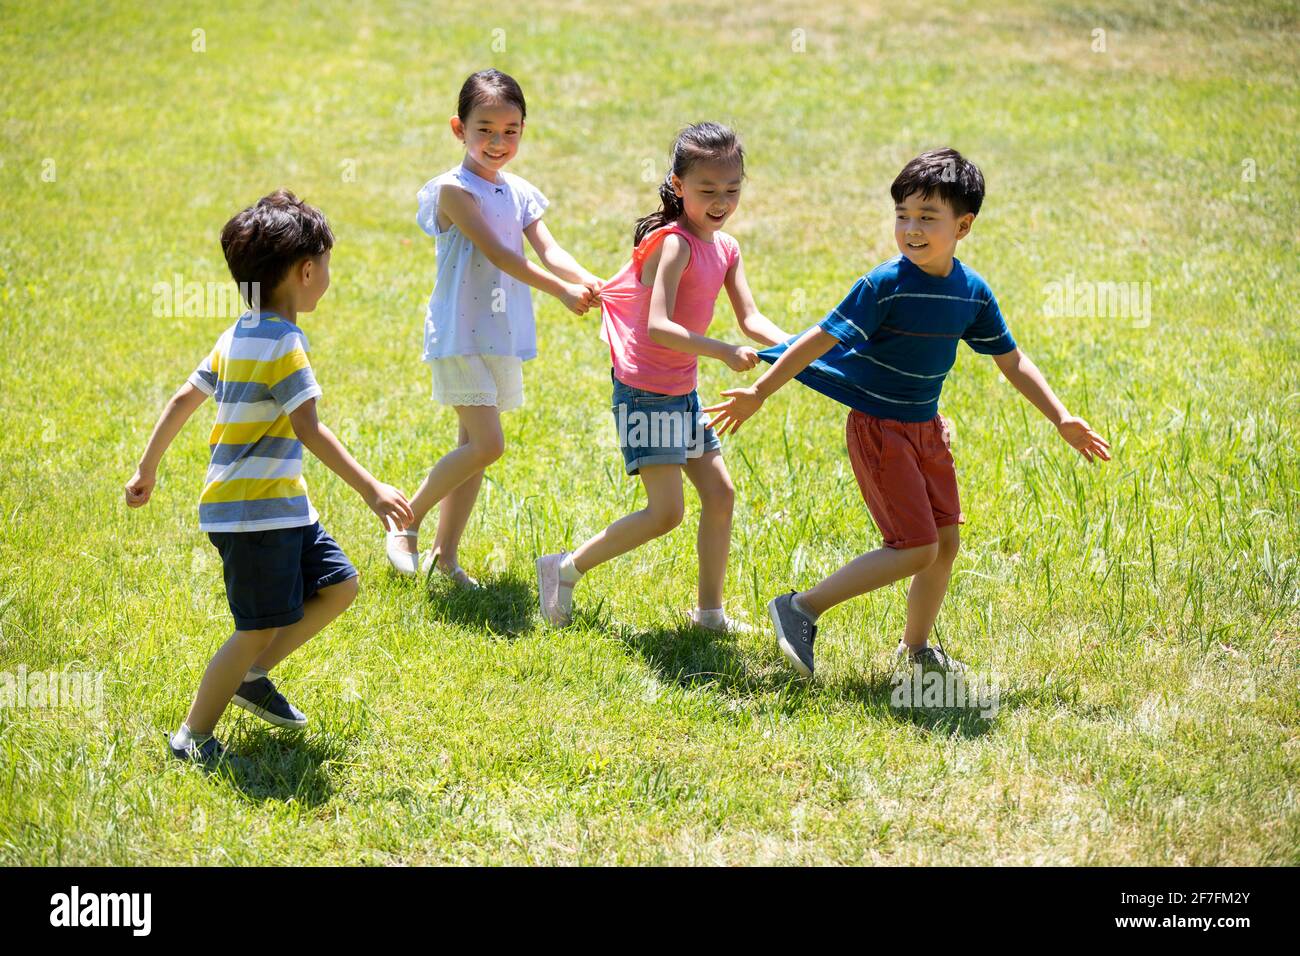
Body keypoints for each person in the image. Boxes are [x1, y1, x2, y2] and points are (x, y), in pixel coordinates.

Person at [705, 148, 1111, 677]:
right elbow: (819, 341)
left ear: (963, 226)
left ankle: (916, 651)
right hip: (881, 431)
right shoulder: (884, 285)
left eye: (927, 217)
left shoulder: (971, 293)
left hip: (926, 430)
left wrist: (1061, 418)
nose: (911, 229)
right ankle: (800, 607)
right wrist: (760, 390)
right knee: (914, 546)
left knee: (944, 543)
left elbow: (1012, 361)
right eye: (902, 216)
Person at [124, 189, 414, 763]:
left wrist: (147, 466)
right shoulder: (285, 342)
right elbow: (309, 427)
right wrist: (372, 490)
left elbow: (185, 398)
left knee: (339, 584)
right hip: (255, 510)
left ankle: (252, 677)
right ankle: (193, 736)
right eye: (327, 263)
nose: (328, 272)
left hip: (279, 505)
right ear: (307, 271)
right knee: (255, 624)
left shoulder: (237, 333)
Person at [536, 122, 789, 631]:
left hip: (682, 391)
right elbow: (660, 327)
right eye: (708, 190)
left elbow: (751, 319)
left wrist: (802, 346)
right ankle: (563, 569)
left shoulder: (727, 248)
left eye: (732, 190)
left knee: (720, 495)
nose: (721, 201)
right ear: (678, 186)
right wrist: (722, 352)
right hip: (647, 392)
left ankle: (709, 614)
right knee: (665, 513)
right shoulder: (672, 244)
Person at [388, 69, 601, 585]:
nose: (498, 142)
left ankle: (446, 556)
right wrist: (561, 292)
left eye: (511, 130)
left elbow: (550, 250)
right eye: (485, 129)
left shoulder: (522, 191)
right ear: (458, 129)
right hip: (460, 333)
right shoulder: (450, 192)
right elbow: (503, 255)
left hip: (499, 333)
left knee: (472, 449)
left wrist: (594, 281)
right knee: (487, 445)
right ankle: (402, 522)